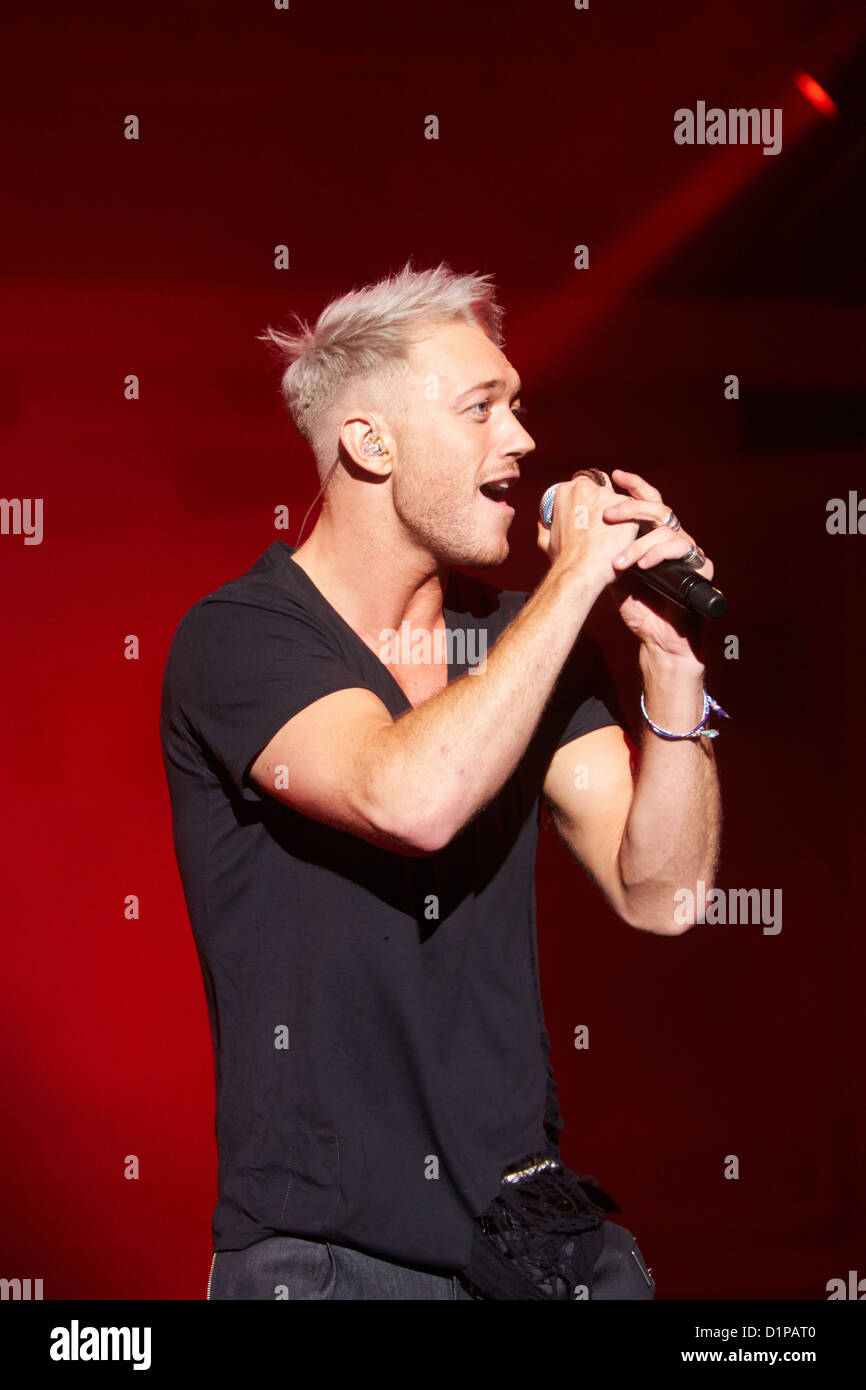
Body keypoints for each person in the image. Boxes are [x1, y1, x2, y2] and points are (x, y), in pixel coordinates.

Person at [160, 260, 722, 1301]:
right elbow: (409, 799)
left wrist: (671, 667)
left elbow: (665, 896)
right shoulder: (239, 638)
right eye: (481, 408)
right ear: (368, 443)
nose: (520, 441)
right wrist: (568, 584)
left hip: (531, 1237)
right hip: (329, 1250)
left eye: (516, 407)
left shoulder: (517, 638)